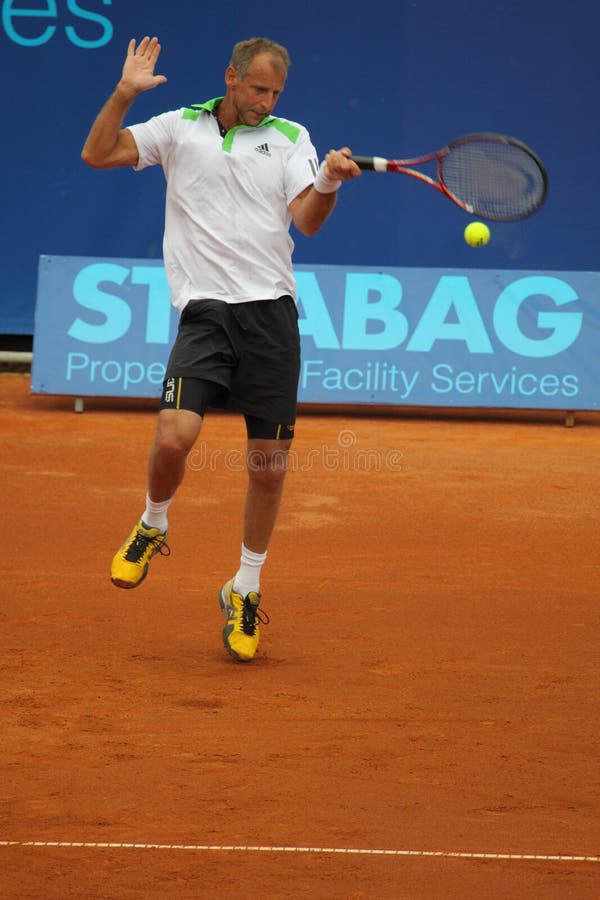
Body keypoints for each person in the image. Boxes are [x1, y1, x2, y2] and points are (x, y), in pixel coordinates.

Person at [81, 35, 360, 662]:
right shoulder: (179, 128)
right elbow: (96, 153)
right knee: (174, 437)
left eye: (275, 93)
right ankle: (153, 523)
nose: (266, 101)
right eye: (257, 88)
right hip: (204, 313)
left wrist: (327, 181)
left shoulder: (291, 137)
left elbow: (307, 220)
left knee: (269, 468)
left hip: (271, 318)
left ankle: (245, 587)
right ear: (231, 78)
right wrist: (125, 92)